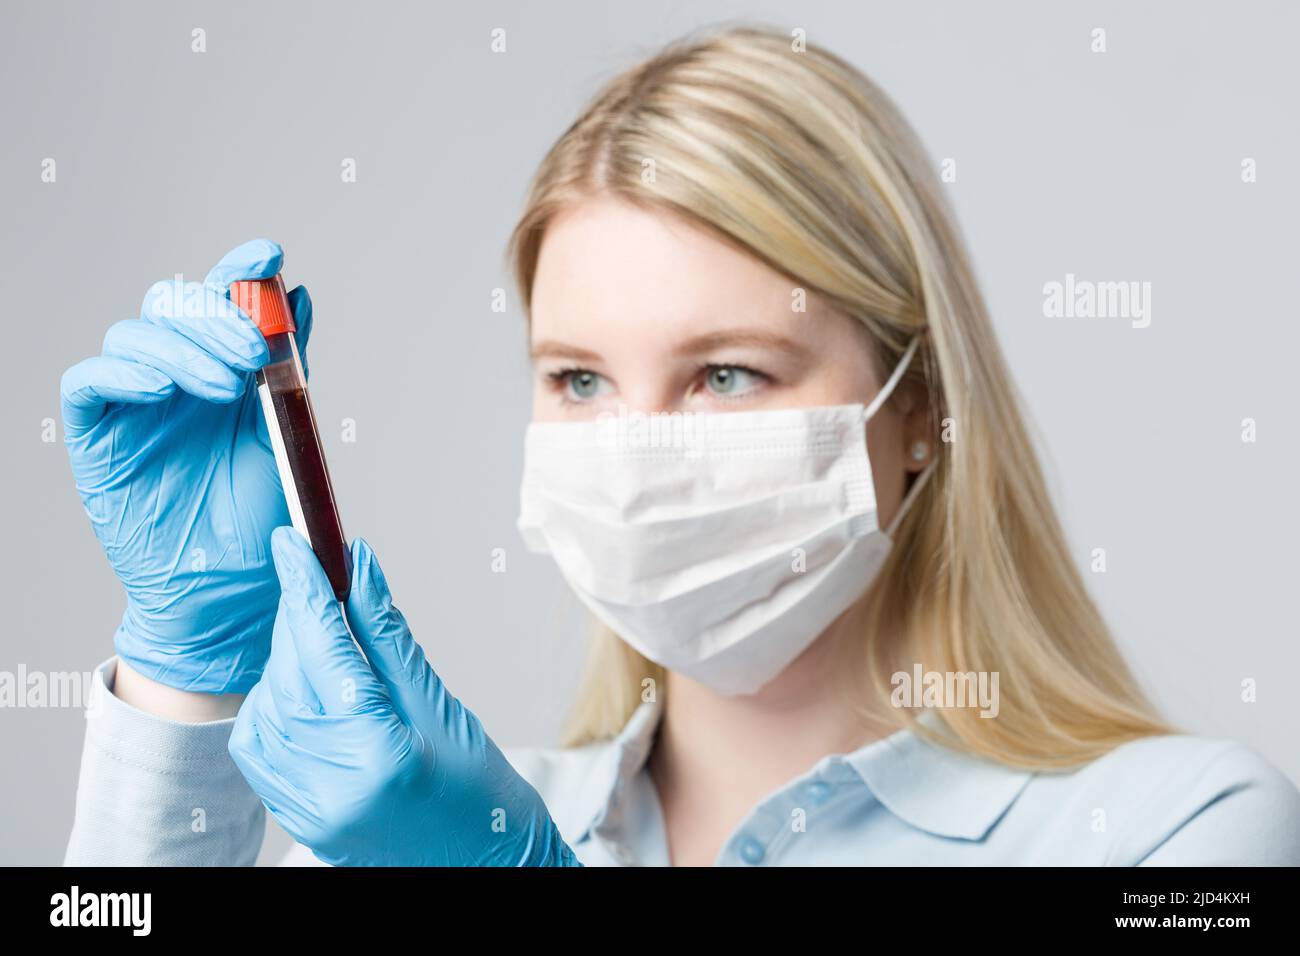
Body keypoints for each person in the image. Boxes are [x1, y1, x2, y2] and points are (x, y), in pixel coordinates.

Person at [60, 26, 1300, 867]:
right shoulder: (419, 825)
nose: (638, 453)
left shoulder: (1173, 833)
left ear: (921, 409)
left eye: (724, 372)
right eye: (580, 378)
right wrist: (185, 676)